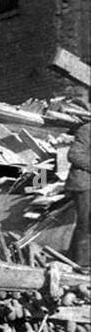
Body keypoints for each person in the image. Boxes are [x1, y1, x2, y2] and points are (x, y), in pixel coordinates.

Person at [69, 108, 90, 267]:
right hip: (83, 183)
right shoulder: (86, 130)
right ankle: (82, 263)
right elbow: (74, 155)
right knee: (86, 221)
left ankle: (72, 257)